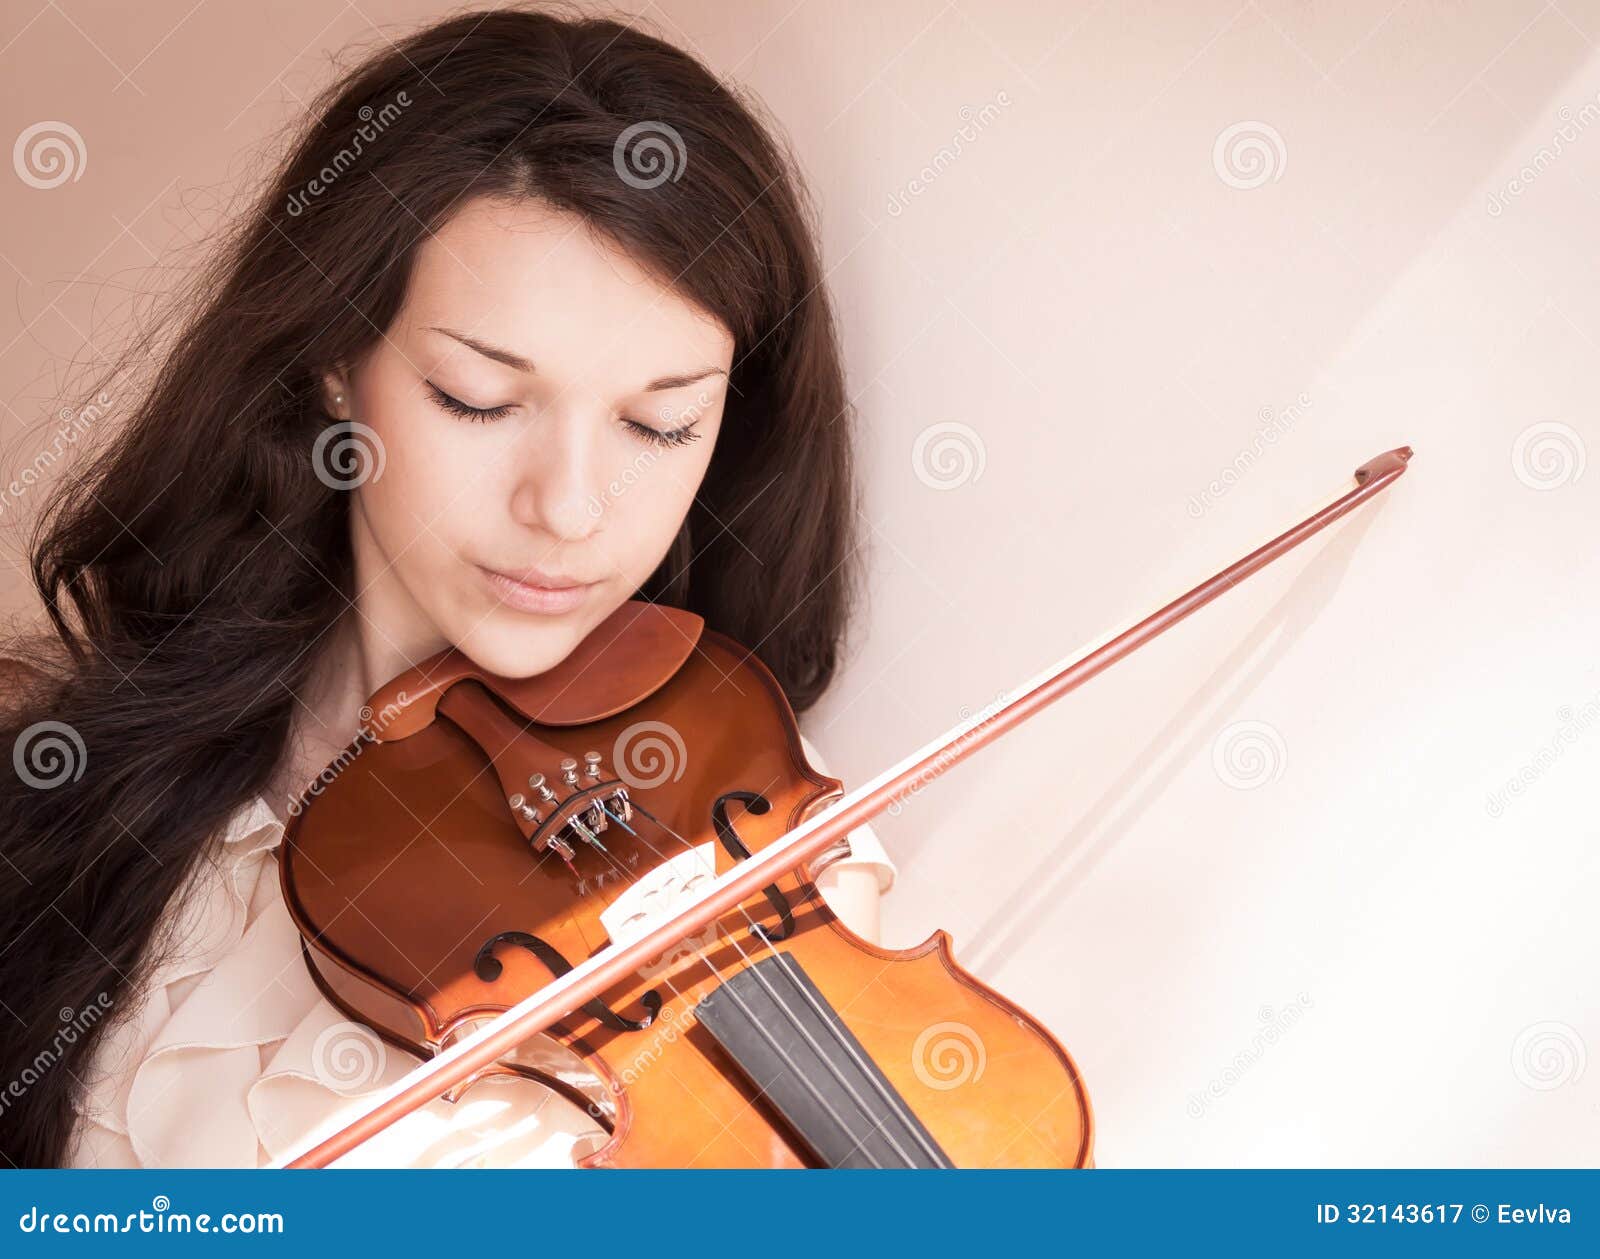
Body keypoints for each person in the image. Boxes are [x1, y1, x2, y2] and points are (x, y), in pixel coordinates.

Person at [0, 6, 894, 1169]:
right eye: (478, 397)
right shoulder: (72, 787)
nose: (568, 507)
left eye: (660, 422)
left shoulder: (772, 862)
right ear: (335, 365)